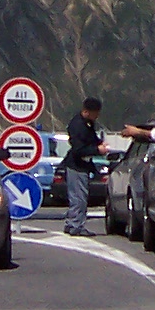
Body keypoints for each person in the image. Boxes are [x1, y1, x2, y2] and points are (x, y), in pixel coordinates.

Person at [61, 97, 106, 236]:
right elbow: (79, 149)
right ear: (87, 112)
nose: (97, 116)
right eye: (95, 113)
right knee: (79, 197)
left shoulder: (87, 124)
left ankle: (71, 222)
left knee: (77, 195)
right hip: (77, 165)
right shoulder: (78, 126)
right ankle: (76, 225)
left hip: (82, 165)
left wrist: (99, 144)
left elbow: (91, 139)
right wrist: (97, 150)